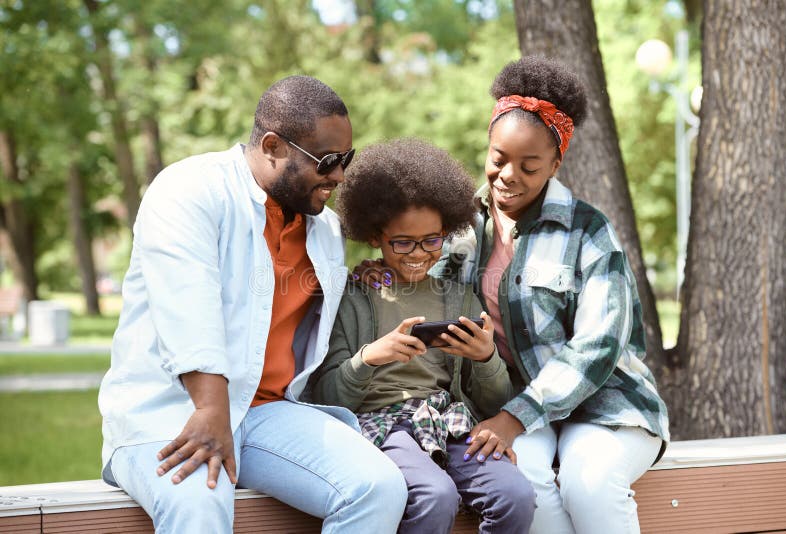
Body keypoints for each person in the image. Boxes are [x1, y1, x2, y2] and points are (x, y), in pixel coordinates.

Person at [359, 57, 671, 534]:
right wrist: (381, 270)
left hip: (603, 406)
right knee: (522, 481)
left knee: (589, 484)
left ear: (555, 163)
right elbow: (420, 275)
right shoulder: (461, 226)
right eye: (498, 158)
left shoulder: (588, 230)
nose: (508, 175)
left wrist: (513, 417)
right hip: (514, 406)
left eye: (529, 166)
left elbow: (599, 347)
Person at [97, 75, 407, 534]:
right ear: (272, 146)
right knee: (199, 506)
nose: (339, 176)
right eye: (326, 161)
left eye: (346, 160)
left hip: (265, 413)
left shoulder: (323, 230)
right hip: (171, 411)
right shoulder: (189, 190)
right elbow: (189, 307)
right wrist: (209, 411)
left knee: (378, 488)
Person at [309, 138, 535, 534]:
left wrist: (485, 359)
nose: (418, 253)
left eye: (432, 240)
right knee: (435, 496)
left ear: (446, 232)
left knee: (515, 496)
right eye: (402, 242)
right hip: (379, 426)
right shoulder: (353, 295)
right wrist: (370, 357)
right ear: (375, 236)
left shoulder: (458, 297)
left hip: (448, 420)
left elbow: (494, 400)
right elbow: (327, 395)